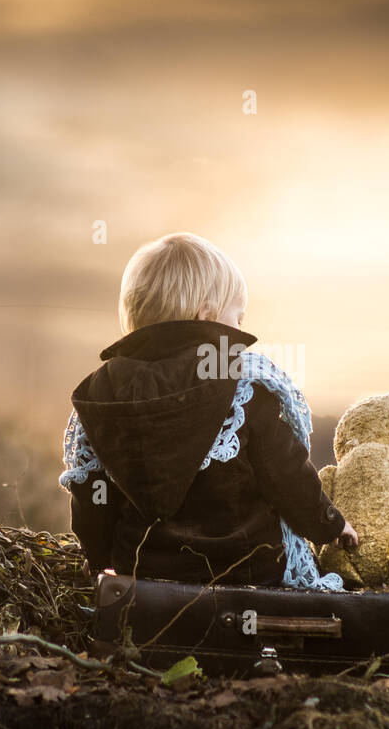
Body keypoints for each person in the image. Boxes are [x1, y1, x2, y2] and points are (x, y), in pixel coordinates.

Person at [60, 232, 357, 588]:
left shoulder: (103, 393)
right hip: (247, 575)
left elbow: (92, 498)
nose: (242, 330)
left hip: (144, 579)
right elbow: (285, 472)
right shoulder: (242, 383)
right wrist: (330, 523)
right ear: (208, 315)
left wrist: (100, 562)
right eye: (239, 319)